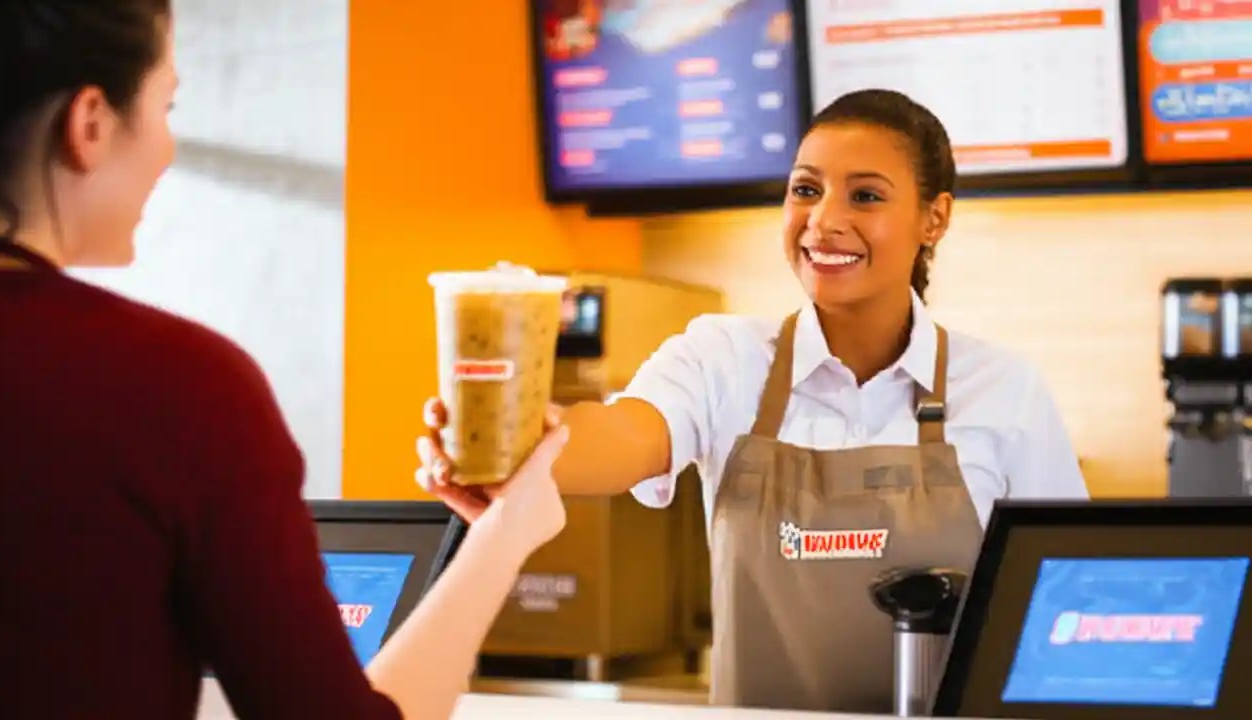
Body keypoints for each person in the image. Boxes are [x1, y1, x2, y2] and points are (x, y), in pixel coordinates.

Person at [0, 3, 568, 719]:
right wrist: (504, 537)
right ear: (90, 123)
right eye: (166, 105)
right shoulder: (173, 384)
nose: (168, 146)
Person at [416, 88, 1090, 713]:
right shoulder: (723, 359)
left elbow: (1068, 595)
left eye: (865, 197)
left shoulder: (1003, 390)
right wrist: (513, 445)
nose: (824, 221)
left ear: (933, 218)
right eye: (806, 189)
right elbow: (623, 437)